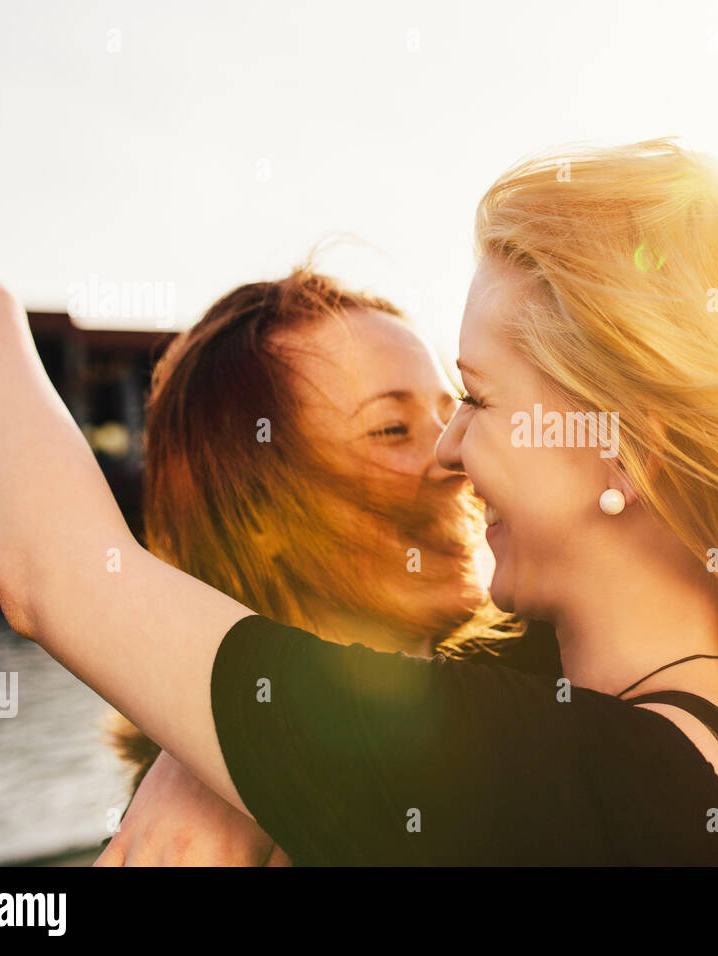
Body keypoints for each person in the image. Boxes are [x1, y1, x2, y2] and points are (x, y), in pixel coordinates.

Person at [0, 139, 718, 864]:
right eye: (401, 423)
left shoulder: (535, 775)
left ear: (629, 446)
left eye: (478, 399)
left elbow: (55, 575)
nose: (451, 448)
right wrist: (230, 760)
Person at [97, 264, 562, 865]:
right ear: (255, 509)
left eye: (456, 414)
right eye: (391, 429)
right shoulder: (188, 833)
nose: (457, 455)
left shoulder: (561, 673)